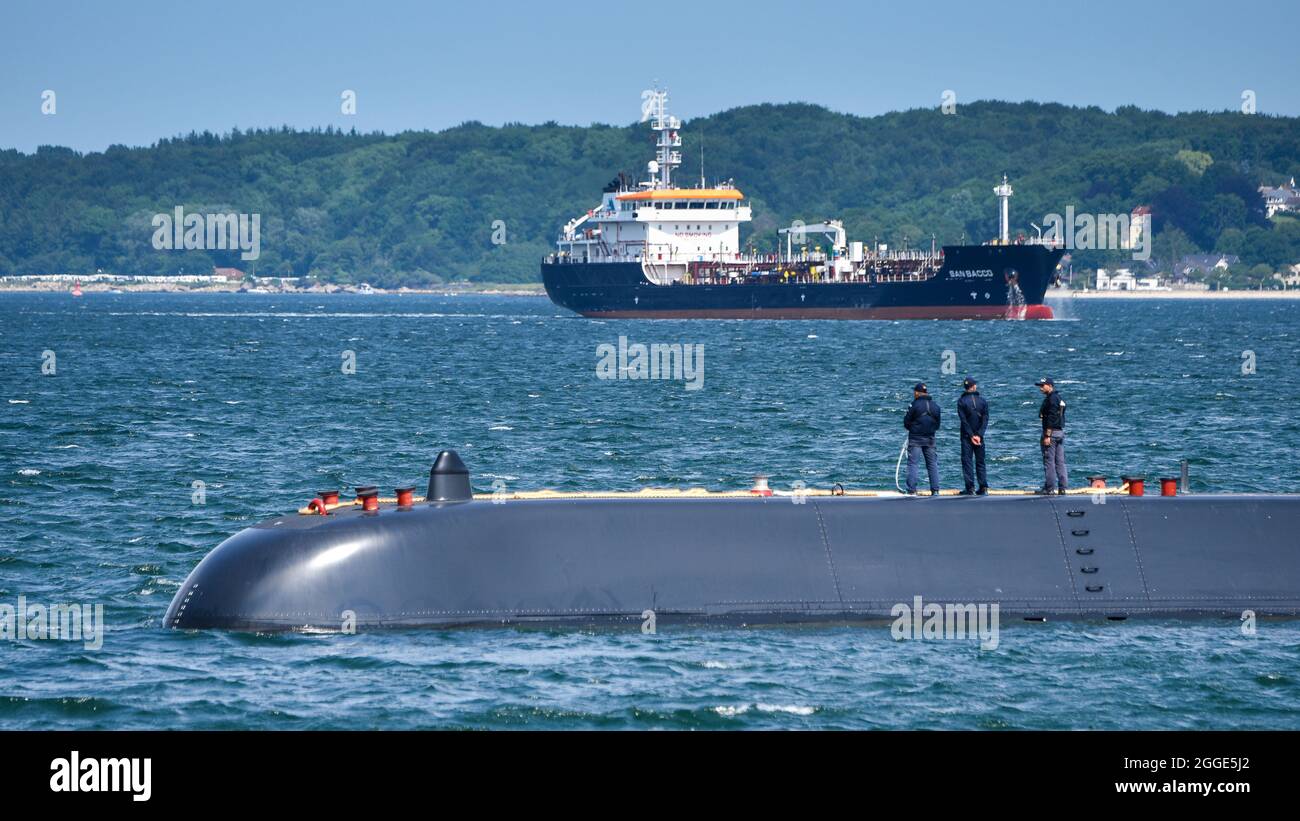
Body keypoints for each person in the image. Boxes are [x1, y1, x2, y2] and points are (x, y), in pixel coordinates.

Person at [903, 382, 941, 496]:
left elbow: (906, 422)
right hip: (930, 438)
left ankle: (911, 490)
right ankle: (935, 490)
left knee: (913, 464)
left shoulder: (914, 405)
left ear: (916, 393)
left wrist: (913, 429)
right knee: (932, 464)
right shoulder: (935, 406)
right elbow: (938, 425)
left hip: (916, 438)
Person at [957, 377, 989, 495]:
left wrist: (971, 435)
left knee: (967, 461)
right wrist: (979, 435)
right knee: (980, 461)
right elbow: (985, 419)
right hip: (979, 436)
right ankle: (983, 487)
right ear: (974, 386)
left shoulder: (961, 401)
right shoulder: (983, 401)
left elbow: (963, 420)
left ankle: (970, 488)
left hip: (967, 436)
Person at [1035, 377, 1067, 495]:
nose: (1041, 388)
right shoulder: (1059, 398)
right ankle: (1063, 487)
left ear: (1050, 385)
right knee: (1060, 461)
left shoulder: (1051, 399)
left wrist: (1047, 435)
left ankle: (1049, 488)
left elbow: (1052, 417)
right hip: (1059, 432)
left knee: (1049, 461)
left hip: (1051, 433)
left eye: (1042, 386)